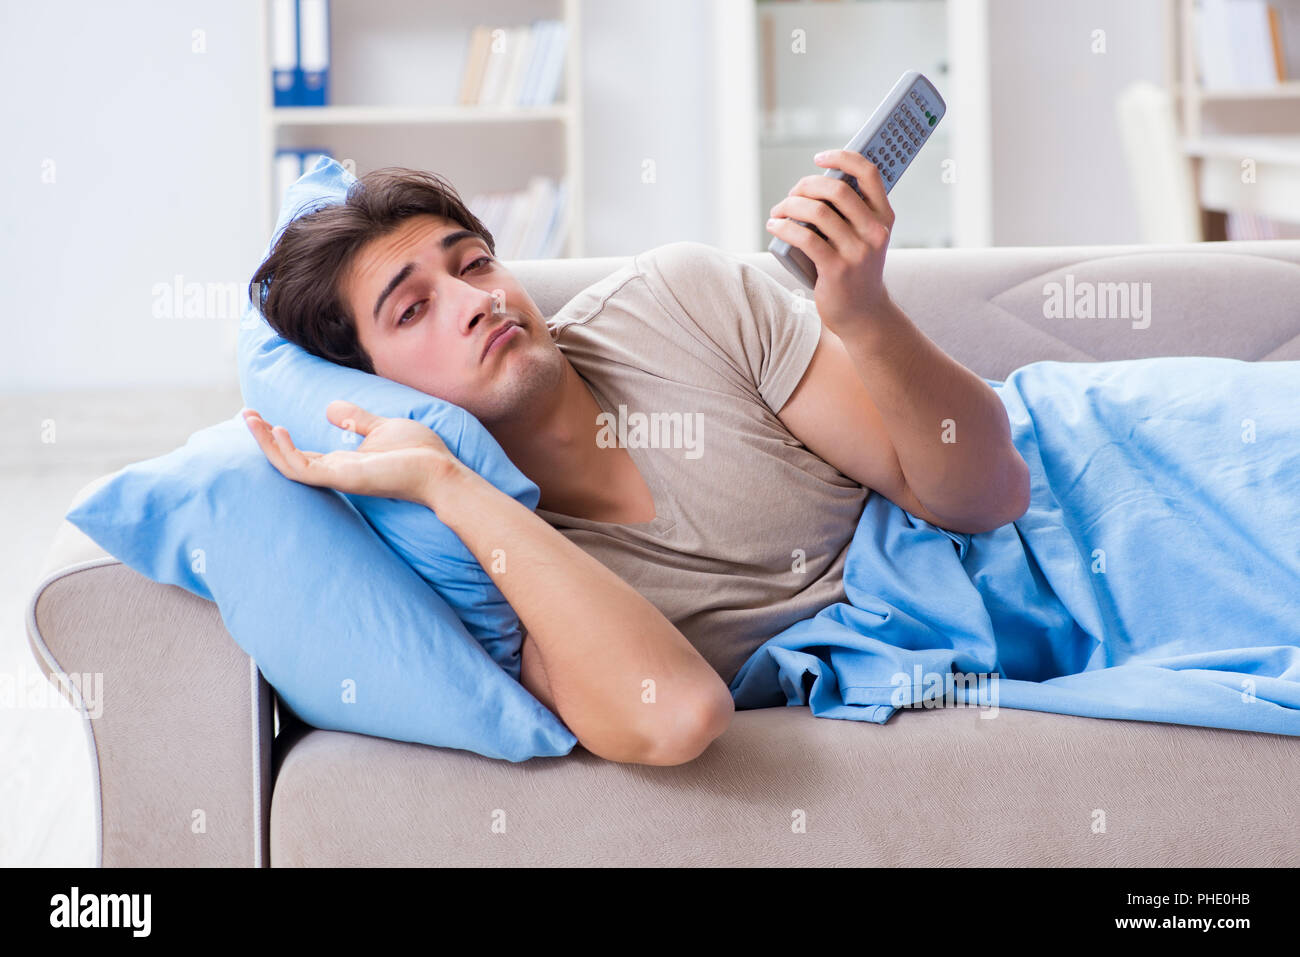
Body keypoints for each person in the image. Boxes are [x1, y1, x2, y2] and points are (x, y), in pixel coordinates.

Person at [241, 153, 1030, 767]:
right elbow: (679, 713)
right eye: (413, 310)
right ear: (366, 386)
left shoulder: (680, 297)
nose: (477, 300)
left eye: (474, 263)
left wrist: (864, 314)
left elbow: (989, 493)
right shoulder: (483, 557)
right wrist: (447, 482)